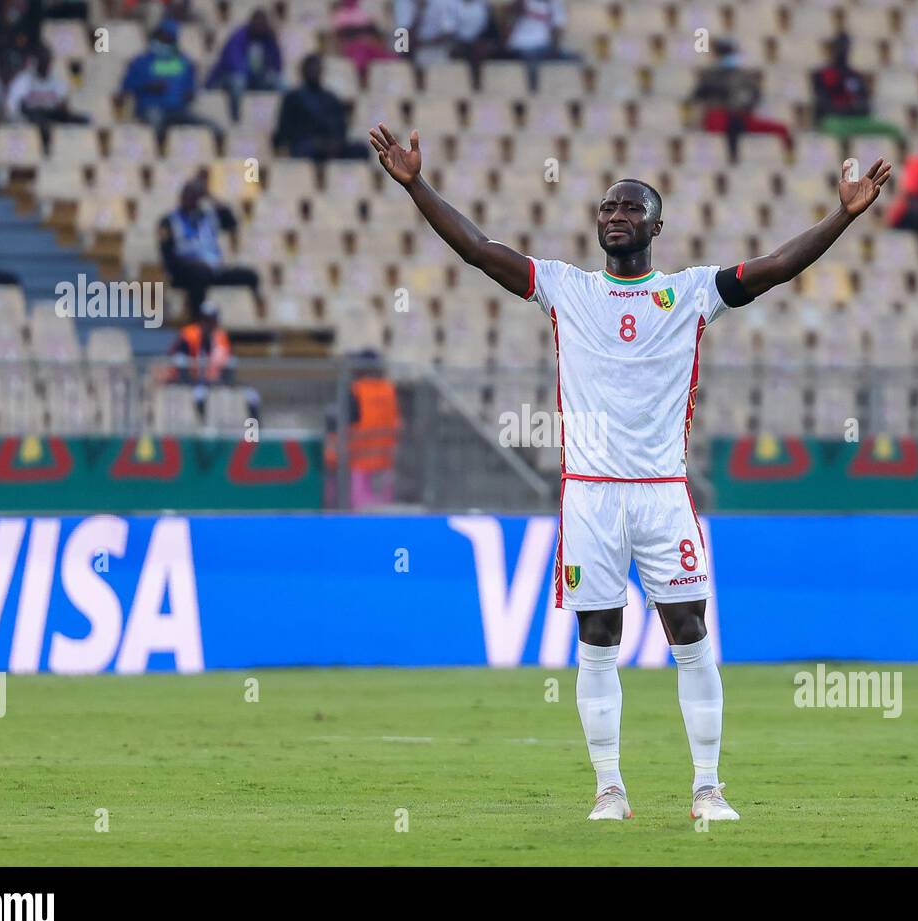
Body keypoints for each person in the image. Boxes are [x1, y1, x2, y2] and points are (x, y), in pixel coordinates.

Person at [369, 119, 891, 822]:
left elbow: (774, 268)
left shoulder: (691, 292)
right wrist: (415, 185)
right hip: (590, 497)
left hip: (662, 495)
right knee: (598, 642)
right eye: (607, 208)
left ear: (656, 224)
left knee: (691, 634)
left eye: (629, 207)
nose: (615, 216)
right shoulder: (564, 288)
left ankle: (708, 788)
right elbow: (477, 250)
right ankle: (609, 789)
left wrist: (842, 217)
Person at [158, 180, 259, 312]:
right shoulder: (169, 221)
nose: (191, 200)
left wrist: (211, 197)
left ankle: (247, 316)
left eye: (195, 196)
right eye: (189, 196)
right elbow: (167, 256)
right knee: (199, 274)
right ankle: (197, 319)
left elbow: (231, 223)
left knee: (250, 275)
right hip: (185, 270)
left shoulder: (209, 216)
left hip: (213, 268)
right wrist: (189, 264)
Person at [689, 38, 792, 162]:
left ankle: (789, 158)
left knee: (781, 129)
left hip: (741, 118)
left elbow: (755, 96)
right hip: (719, 118)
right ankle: (726, 158)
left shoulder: (744, 76)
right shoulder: (710, 75)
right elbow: (696, 97)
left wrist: (743, 106)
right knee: (718, 122)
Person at [119, 18, 219, 142]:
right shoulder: (141, 61)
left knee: (211, 127)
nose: (165, 41)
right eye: (162, 37)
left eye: (169, 38)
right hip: (151, 107)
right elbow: (126, 86)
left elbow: (191, 87)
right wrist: (148, 85)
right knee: (155, 122)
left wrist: (189, 92)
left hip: (178, 110)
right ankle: (158, 152)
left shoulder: (184, 62)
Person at [165, 300, 261, 420]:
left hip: (218, 383)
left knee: (252, 396)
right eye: (206, 319)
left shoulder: (221, 337)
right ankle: (203, 434)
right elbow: (180, 363)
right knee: (199, 396)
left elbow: (228, 365)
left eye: (212, 319)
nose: (209, 323)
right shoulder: (188, 335)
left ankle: (254, 435)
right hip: (192, 383)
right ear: (200, 319)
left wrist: (225, 382)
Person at [273, 53, 369, 161]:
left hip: (332, 146)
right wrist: (316, 142)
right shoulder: (292, 98)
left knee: (361, 150)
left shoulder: (331, 98)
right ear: (302, 71)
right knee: (308, 149)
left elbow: (341, 127)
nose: (314, 70)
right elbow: (285, 131)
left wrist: (334, 142)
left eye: (317, 67)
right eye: (310, 67)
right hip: (305, 146)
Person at [812, 32, 902, 142]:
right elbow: (822, 102)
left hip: (856, 119)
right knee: (841, 133)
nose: (843, 50)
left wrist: (857, 108)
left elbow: (864, 101)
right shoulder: (822, 74)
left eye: (845, 47)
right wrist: (841, 110)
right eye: (840, 46)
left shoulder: (855, 75)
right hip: (832, 119)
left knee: (892, 130)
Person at [342, 350, 401, 510]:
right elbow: (397, 422)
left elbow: (346, 424)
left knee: (360, 513)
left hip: (360, 464)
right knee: (382, 513)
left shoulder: (356, 390)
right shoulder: (389, 390)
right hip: (385, 461)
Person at [205, 7, 282, 122]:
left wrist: (265, 73)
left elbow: (277, 64)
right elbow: (234, 63)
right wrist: (254, 74)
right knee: (238, 82)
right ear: (251, 23)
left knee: (280, 82)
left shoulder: (269, 38)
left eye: (263, 23)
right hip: (226, 77)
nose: (260, 26)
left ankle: (277, 119)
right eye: (258, 22)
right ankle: (235, 120)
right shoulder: (239, 36)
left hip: (255, 78)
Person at [7, 45, 89, 138]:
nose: (45, 63)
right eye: (42, 60)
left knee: (84, 120)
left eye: (47, 60)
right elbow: (15, 108)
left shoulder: (55, 80)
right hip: (29, 120)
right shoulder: (23, 80)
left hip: (51, 116)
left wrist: (60, 107)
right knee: (39, 120)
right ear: (35, 61)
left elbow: (63, 105)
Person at [499, 0, 576, 85]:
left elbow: (558, 29)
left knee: (576, 58)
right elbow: (505, 23)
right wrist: (514, 10)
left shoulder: (555, 3)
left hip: (544, 46)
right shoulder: (520, 2)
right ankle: (534, 91)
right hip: (519, 45)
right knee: (531, 58)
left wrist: (555, 48)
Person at [331, 0, 394, 80]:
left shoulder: (363, 14)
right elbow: (342, 34)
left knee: (387, 58)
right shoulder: (339, 15)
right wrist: (360, 35)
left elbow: (374, 31)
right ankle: (360, 78)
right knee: (360, 51)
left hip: (368, 45)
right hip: (352, 46)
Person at [393, 0, 459, 68]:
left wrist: (426, 43)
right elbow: (404, 34)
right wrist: (420, 11)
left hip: (438, 49)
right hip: (415, 51)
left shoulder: (443, 2)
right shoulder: (402, 2)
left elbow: (449, 32)